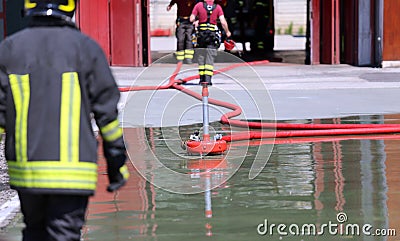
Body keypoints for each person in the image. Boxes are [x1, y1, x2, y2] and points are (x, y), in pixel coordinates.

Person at [0, 0, 129, 240]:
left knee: (34, 232)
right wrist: (116, 162)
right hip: (73, 173)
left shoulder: (9, 49)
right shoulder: (86, 49)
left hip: (26, 172)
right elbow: (107, 115)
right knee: (65, 234)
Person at [190, 0, 231, 85]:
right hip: (212, 36)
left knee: (201, 57)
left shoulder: (198, 5)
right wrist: (227, 32)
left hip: (201, 36)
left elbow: (191, 18)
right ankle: (208, 80)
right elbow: (223, 22)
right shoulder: (217, 7)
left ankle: (202, 79)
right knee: (210, 58)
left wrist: (197, 20)